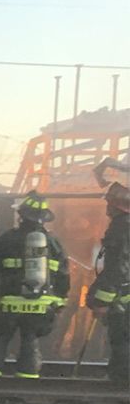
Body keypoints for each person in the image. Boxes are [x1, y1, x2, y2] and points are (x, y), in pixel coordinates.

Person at [0, 193, 70, 378]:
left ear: (21, 215)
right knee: (30, 340)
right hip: (41, 303)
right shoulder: (54, 242)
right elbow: (63, 274)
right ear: (44, 219)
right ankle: (27, 381)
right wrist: (61, 300)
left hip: (10, 301)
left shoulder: (6, 238)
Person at [89, 158, 130, 385]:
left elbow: (117, 268)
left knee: (122, 340)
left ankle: (120, 384)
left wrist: (101, 299)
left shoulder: (122, 228)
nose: (107, 208)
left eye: (110, 204)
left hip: (124, 299)